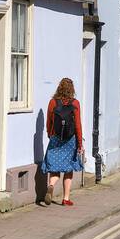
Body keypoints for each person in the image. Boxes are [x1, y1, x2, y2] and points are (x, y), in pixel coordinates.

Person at [41, 77, 84, 205]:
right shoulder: (75, 103)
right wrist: (80, 143)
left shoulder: (52, 102)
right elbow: (77, 125)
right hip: (70, 140)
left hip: (56, 138)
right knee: (68, 169)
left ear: (59, 88)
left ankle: (51, 185)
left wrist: (50, 134)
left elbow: (49, 121)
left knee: (55, 169)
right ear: (72, 90)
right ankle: (65, 199)